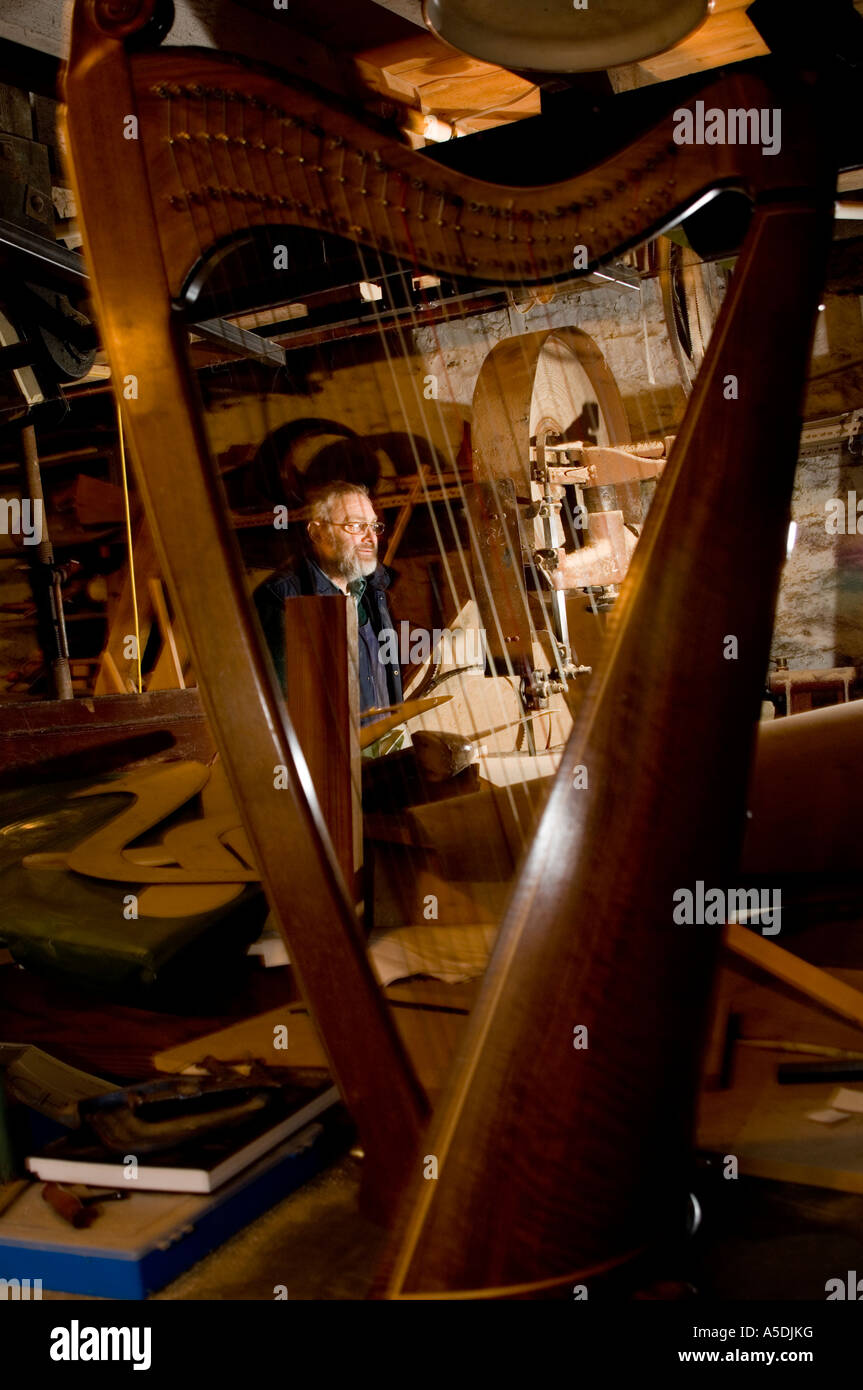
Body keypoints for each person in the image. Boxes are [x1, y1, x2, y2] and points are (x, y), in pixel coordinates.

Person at [253, 480, 402, 717]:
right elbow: (278, 707)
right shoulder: (282, 598)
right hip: (330, 752)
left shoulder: (374, 590)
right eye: (355, 525)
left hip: (384, 747)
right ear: (317, 533)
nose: (370, 538)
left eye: (373, 526)